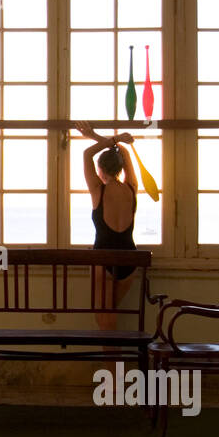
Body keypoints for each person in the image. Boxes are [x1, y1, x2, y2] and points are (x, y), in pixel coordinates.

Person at [73, 122, 138, 330]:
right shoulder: (132, 187)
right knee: (108, 318)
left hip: (104, 258)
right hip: (130, 259)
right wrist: (116, 142)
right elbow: (124, 153)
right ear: (120, 167)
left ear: (100, 169)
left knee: (106, 323)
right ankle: (116, 364)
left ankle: (115, 364)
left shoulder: (97, 190)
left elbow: (86, 154)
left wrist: (96, 136)